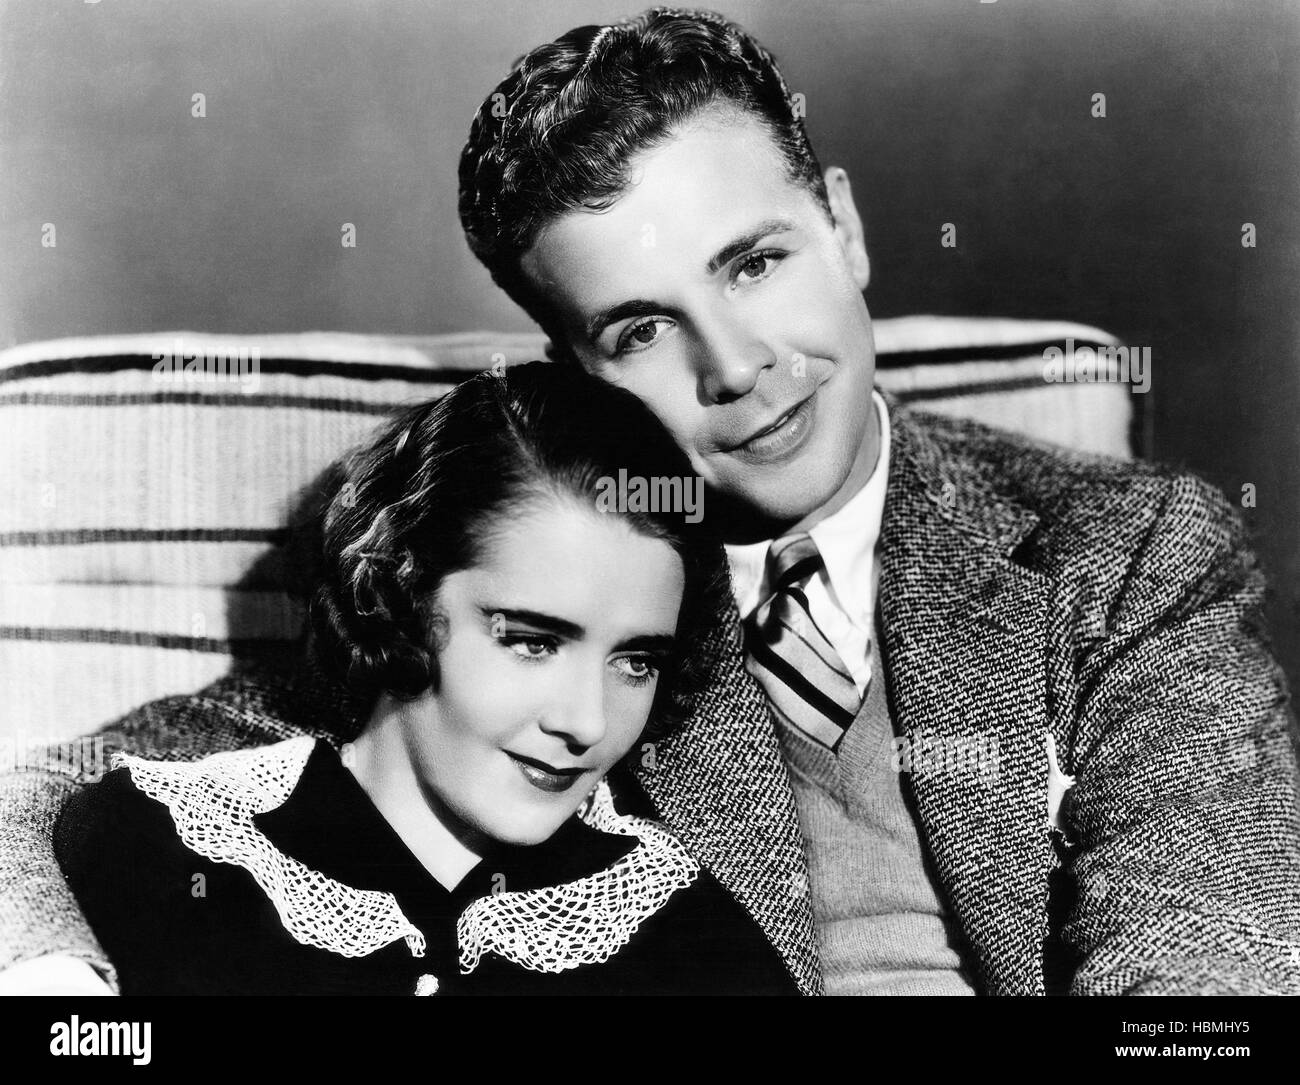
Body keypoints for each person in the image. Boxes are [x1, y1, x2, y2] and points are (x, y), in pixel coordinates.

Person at [4, 7, 1299, 996]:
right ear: (578, 375)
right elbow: (59, 788)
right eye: (639, 331)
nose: (736, 367)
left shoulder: (1124, 551)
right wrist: (58, 994)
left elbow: (1213, 960)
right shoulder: (566, 572)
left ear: (842, 228)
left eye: (755, 261)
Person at [50, 362, 793, 995]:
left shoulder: (680, 928)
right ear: (398, 595)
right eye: (533, 642)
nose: (588, 722)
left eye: (636, 662)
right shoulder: (166, 845)